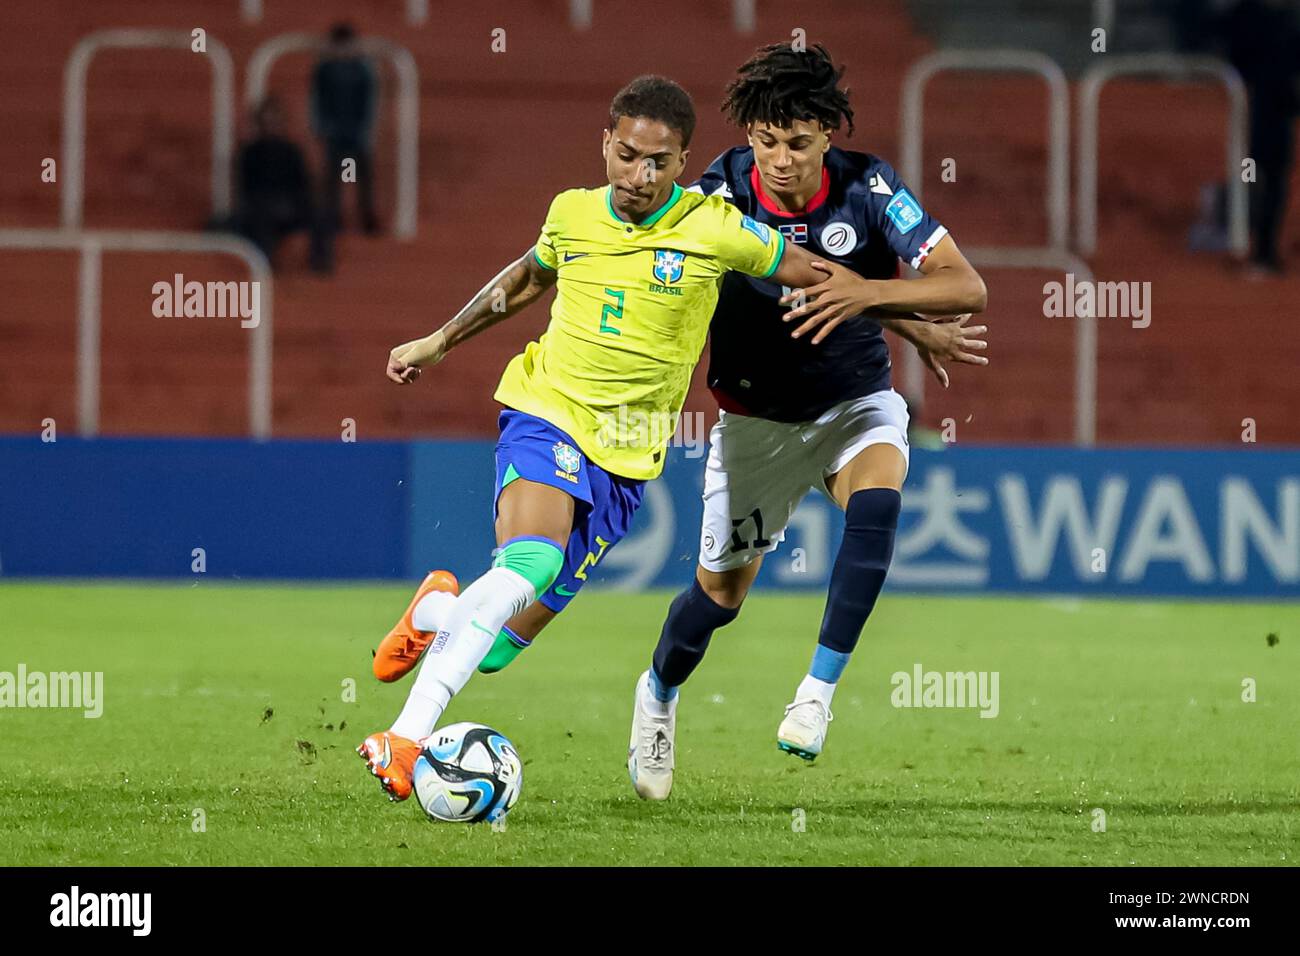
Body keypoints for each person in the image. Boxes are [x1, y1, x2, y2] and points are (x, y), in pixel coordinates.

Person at [355, 75, 963, 802]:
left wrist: (909, 319)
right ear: (605, 143)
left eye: (657, 162)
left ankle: (437, 613)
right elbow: (524, 281)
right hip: (546, 411)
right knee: (528, 562)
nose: (637, 175)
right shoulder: (571, 213)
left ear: (683, 164)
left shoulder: (716, 226)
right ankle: (407, 734)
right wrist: (440, 340)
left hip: (628, 454)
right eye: (625, 154)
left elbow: (822, 276)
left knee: (499, 645)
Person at [622, 42, 989, 797]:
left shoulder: (872, 185)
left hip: (854, 403)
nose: (780, 160)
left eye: (797, 142)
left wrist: (878, 301)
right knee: (718, 598)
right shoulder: (721, 192)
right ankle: (658, 693)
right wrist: (904, 314)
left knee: (879, 505)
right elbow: (770, 278)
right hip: (758, 422)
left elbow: (966, 285)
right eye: (765, 141)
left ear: (829, 134)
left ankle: (815, 697)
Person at [1219, 0, 1300, 274]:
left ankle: (1260, 248)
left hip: (1262, 110)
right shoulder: (1269, 20)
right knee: (1266, 179)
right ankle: (1261, 250)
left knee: (1265, 178)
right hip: (1266, 113)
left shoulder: (1249, 16)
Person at [234, 96, 330, 273]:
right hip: (262, 208)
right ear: (259, 124)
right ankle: (265, 267)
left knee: (321, 216)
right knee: (257, 219)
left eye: (275, 121)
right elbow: (246, 189)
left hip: (292, 205)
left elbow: (303, 184)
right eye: (267, 122)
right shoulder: (249, 153)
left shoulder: (293, 151)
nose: (271, 126)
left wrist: (293, 204)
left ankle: (320, 263)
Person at [310, 22, 379, 236]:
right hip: (335, 133)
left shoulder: (363, 71)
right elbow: (317, 101)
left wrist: (367, 129)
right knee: (334, 177)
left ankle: (366, 214)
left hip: (357, 133)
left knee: (362, 176)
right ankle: (334, 215)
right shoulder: (324, 70)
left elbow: (370, 103)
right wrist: (320, 126)